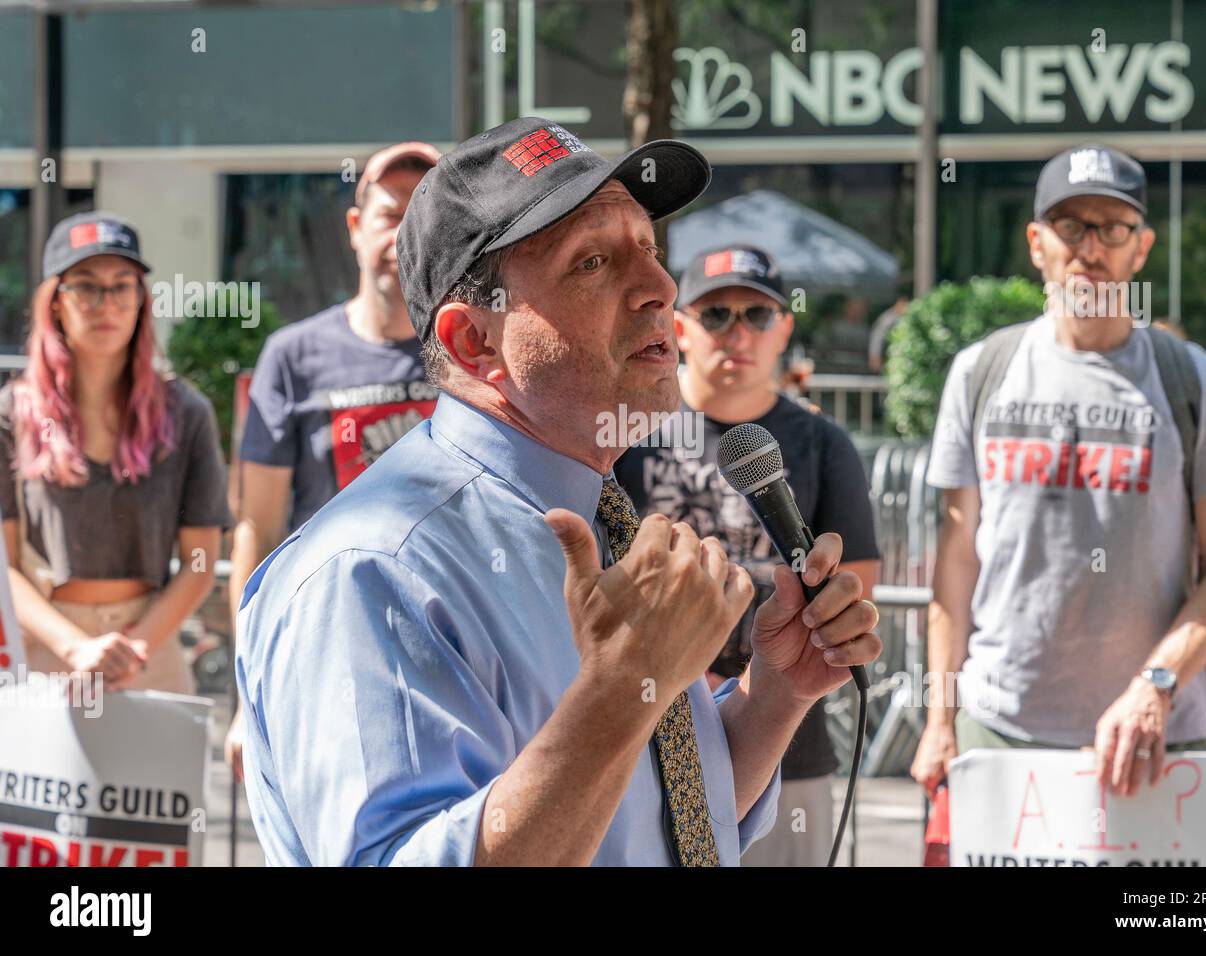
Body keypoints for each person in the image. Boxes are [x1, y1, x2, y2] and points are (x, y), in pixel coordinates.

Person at [234, 117, 882, 866]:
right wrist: (621, 687)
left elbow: (653, 823)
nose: (662, 287)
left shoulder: (595, 510)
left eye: (647, 246)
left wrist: (775, 697)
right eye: (593, 263)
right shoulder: (371, 569)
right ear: (474, 341)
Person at [911, 144, 1206, 800]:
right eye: (1070, 226)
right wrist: (940, 719)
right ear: (1036, 242)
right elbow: (955, 564)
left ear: (1142, 247)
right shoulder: (981, 372)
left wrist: (1155, 685)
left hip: (1153, 735)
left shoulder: (1194, 381)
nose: (1090, 248)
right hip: (998, 728)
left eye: (1113, 227)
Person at [615, 244, 880, 866]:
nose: (737, 333)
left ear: (784, 327)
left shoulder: (823, 442)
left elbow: (855, 595)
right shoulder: (627, 432)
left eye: (757, 316)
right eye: (716, 314)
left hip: (789, 737)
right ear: (679, 327)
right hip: (649, 732)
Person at [225, 142, 441, 778]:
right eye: (388, 213)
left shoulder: (473, 348)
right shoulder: (293, 357)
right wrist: (248, 691)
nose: (404, 233)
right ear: (355, 227)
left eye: (423, 215)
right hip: (322, 654)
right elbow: (257, 530)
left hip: (449, 654)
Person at [1, 212, 233, 694]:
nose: (105, 304)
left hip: (151, 644)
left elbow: (198, 564)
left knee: (159, 773)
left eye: (121, 286)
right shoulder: (13, 413)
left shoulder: (186, 412)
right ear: (56, 304)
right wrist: (75, 648)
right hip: (47, 646)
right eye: (85, 286)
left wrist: (133, 649)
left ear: (141, 302)